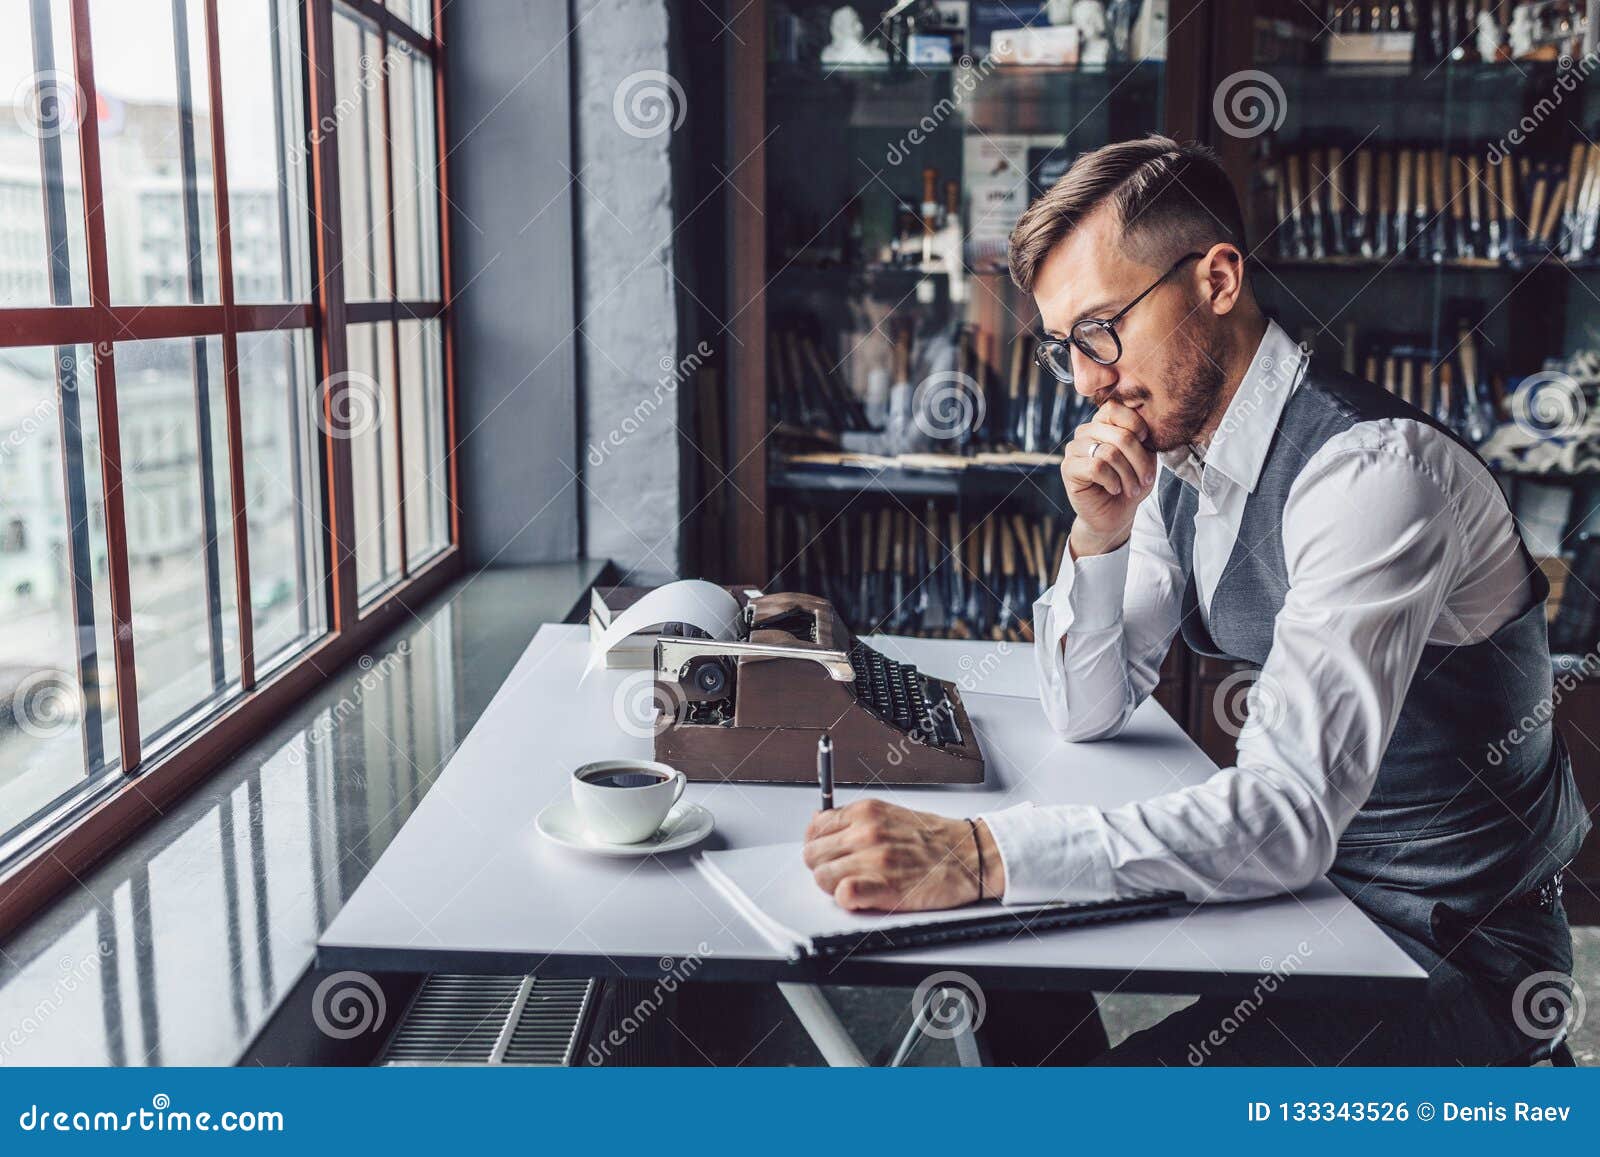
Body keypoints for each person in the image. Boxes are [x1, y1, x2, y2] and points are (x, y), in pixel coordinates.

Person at [800, 135, 1590, 1064]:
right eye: (1065, 349)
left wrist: (977, 851)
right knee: (1002, 977)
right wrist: (1097, 534)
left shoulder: (1374, 474)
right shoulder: (1180, 454)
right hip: (1308, 912)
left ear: (1217, 279)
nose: (1087, 380)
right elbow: (1086, 708)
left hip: (1453, 963)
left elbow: (1287, 816)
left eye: (1103, 329)